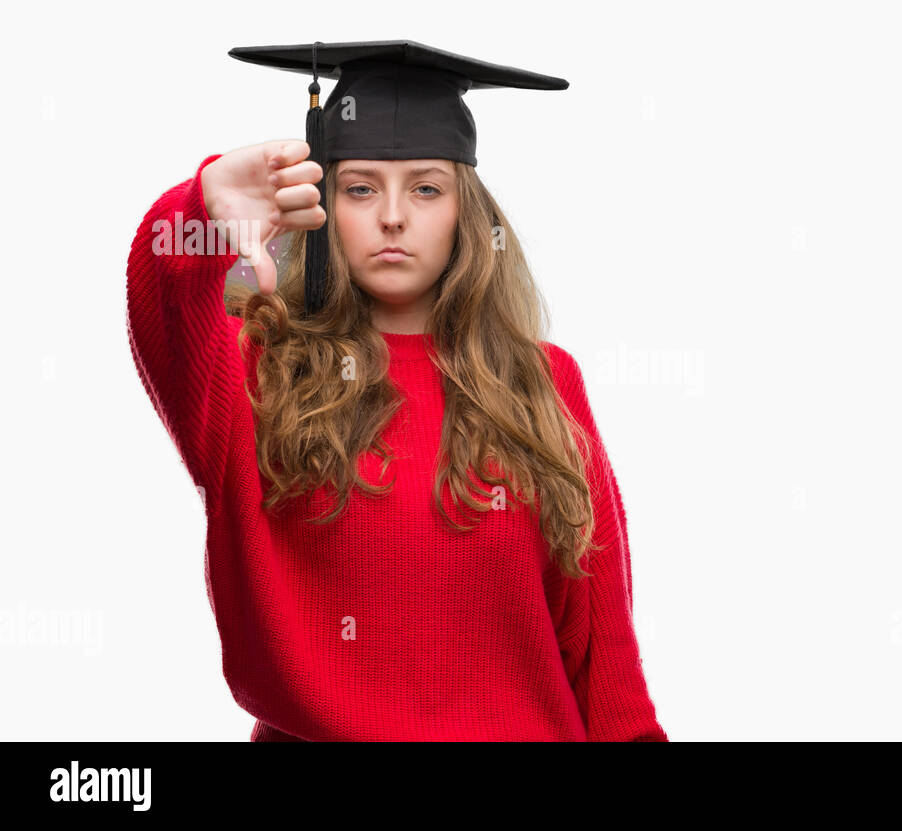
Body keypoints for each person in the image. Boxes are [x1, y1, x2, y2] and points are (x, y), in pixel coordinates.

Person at [125, 40, 668, 741]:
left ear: (464, 212)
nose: (392, 217)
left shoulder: (542, 380)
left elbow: (603, 656)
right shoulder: (262, 374)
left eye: (425, 188)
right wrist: (200, 211)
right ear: (321, 206)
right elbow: (164, 316)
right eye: (359, 188)